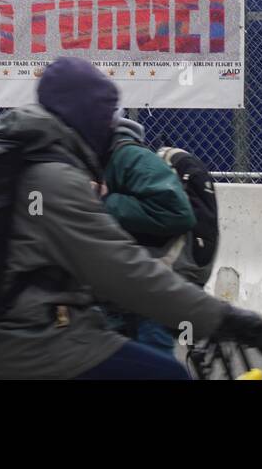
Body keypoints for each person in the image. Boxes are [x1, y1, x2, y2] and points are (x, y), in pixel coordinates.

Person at [0, 56, 262, 380]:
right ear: (84, 115)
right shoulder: (55, 180)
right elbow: (125, 271)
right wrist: (218, 317)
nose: (110, 125)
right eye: (104, 114)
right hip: (33, 345)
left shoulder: (15, 162)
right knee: (166, 373)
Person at [99, 112, 195, 354]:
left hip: (151, 276)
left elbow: (177, 213)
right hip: (120, 281)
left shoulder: (129, 156)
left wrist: (106, 201)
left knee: (153, 355)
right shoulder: (97, 158)